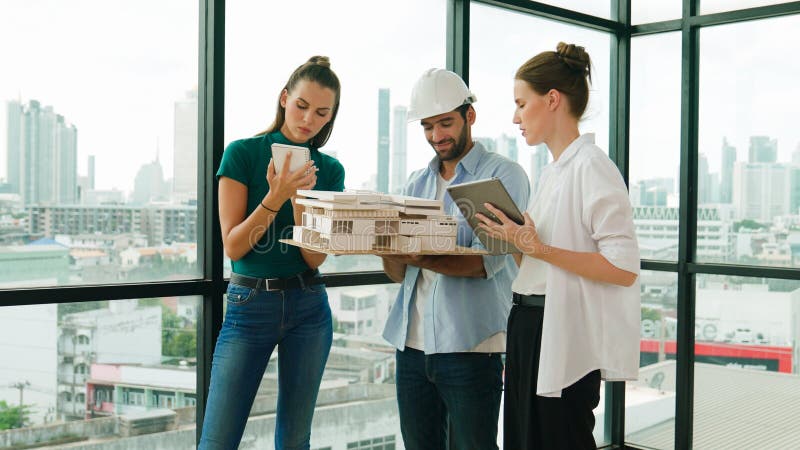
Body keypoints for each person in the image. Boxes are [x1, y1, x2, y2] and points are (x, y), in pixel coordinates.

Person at [476, 43, 641, 450]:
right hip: (528, 325)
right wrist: (513, 240)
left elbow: (623, 268)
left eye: (521, 103)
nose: (515, 117)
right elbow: (535, 259)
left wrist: (536, 247)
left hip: (560, 331)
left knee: (558, 438)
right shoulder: (552, 172)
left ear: (552, 100)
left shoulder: (592, 166)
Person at [199, 56, 345, 450]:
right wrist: (275, 196)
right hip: (250, 304)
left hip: (309, 305)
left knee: (295, 441)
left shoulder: (330, 170)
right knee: (217, 440)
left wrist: (299, 201)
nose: (308, 119)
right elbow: (234, 246)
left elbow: (315, 259)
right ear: (284, 98)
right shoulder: (242, 153)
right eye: (301, 106)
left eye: (321, 112)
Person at [381, 68, 530, 450]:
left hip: (470, 347)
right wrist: (384, 246)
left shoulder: (502, 175)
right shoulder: (416, 183)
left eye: (445, 123)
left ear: (470, 116)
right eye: (428, 127)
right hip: (411, 347)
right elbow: (399, 274)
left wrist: (421, 256)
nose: (436, 136)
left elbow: (487, 263)